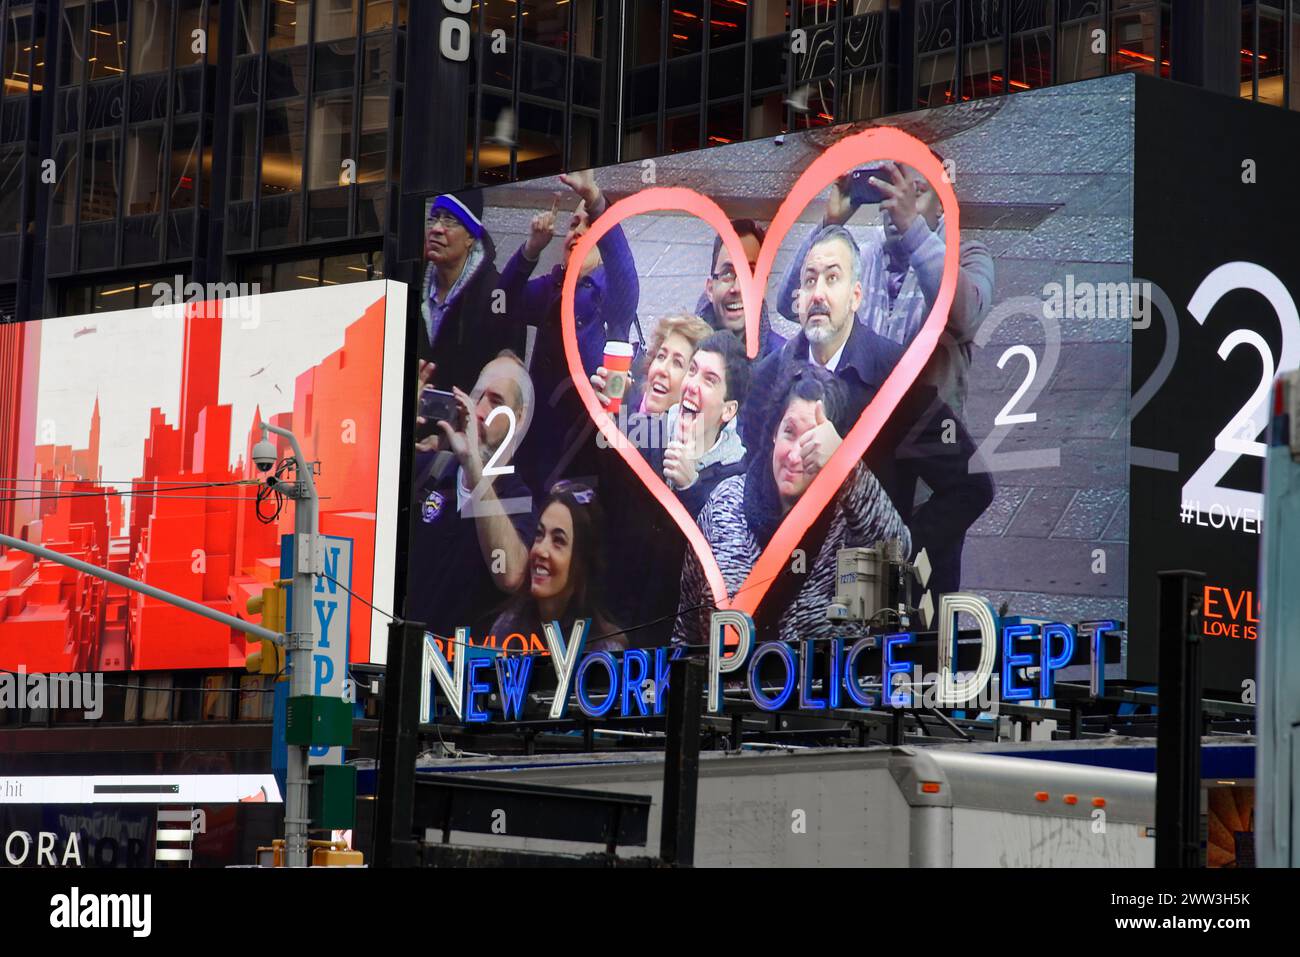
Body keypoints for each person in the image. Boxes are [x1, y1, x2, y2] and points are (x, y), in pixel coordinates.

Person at [744, 224, 993, 603]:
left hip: (862, 613)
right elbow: (754, 475)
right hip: (783, 605)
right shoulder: (767, 377)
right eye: (809, 281)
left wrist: (901, 559)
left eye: (832, 278)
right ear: (797, 300)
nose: (819, 294)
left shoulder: (895, 376)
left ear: (856, 295)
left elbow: (970, 485)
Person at [673, 364, 910, 647]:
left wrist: (846, 469)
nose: (796, 456)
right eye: (790, 432)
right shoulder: (725, 503)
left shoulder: (850, 521)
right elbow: (686, 632)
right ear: (774, 432)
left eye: (813, 441)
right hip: (728, 689)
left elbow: (893, 564)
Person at [776, 158, 994, 416]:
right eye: (891, 192)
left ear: (941, 206)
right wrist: (830, 224)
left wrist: (914, 229)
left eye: (916, 193)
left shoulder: (968, 258)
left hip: (927, 438)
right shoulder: (863, 259)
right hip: (860, 432)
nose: (898, 205)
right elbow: (790, 305)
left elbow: (963, 315)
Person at [406, 352, 536, 641]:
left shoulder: (518, 498)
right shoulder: (432, 468)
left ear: (518, 418)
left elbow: (510, 574)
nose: (478, 410)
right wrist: (398, 428)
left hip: (462, 674)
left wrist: (473, 464)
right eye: (477, 397)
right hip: (403, 659)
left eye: (496, 402)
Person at [496, 170, 639, 378]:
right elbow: (500, 304)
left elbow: (623, 269)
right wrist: (530, 250)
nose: (578, 231)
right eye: (573, 224)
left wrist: (595, 199)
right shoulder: (551, 287)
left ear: (605, 250)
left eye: (591, 224)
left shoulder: (612, 293)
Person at [490, 482, 627, 655]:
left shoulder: (604, 650)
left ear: (581, 562)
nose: (540, 550)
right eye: (539, 535)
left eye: (558, 541)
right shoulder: (507, 627)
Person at [419, 192, 522, 393]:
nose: (436, 229)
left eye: (449, 220)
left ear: (470, 238)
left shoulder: (496, 293)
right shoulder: (410, 284)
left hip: (469, 420)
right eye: (434, 218)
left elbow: (508, 377)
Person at [645, 331, 750, 517]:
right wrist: (600, 417)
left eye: (709, 380)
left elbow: (718, 542)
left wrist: (690, 488)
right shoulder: (645, 432)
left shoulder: (736, 480)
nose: (692, 385)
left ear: (728, 410)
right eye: (692, 370)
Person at [590, 312, 713, 417]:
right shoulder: (629, 406)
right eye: (661, 356)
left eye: (677, 363)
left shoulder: (679, 441)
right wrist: (597, 410)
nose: (662, 369)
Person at [695, 219, 785, 358]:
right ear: (710, 289)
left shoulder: (784, 363)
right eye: (728, 274)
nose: (737, 288)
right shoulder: (681, 358)